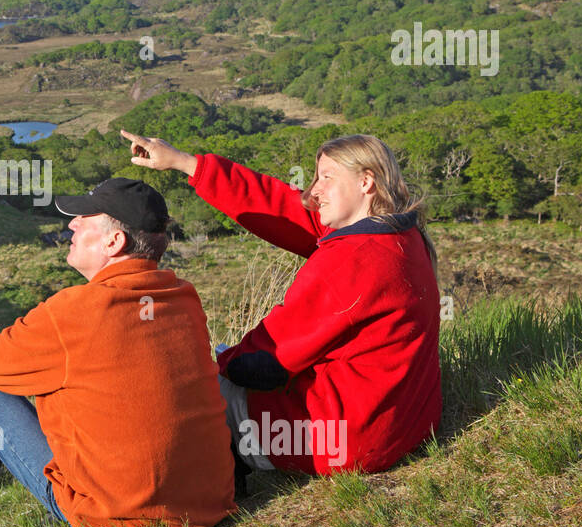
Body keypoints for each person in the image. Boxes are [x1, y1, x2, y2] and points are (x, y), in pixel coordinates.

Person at [0, 177, 236, 527]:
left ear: (114, 241)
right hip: (206, 506)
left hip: (113, 521)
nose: (71, 226)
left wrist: (42, 367)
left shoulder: (75, 310)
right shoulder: (183, 297)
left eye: (82, 219)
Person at [121, 130, 441, 484]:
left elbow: (266, 360)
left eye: (326, 178)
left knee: (201, 393)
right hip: (405, 422)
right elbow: (282, 208)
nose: (313, 190)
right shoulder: (400, 234)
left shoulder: (352, 260)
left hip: (347, 439)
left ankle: (210, 474)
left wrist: (216, 367)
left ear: (366, 182)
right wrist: (185, 162)